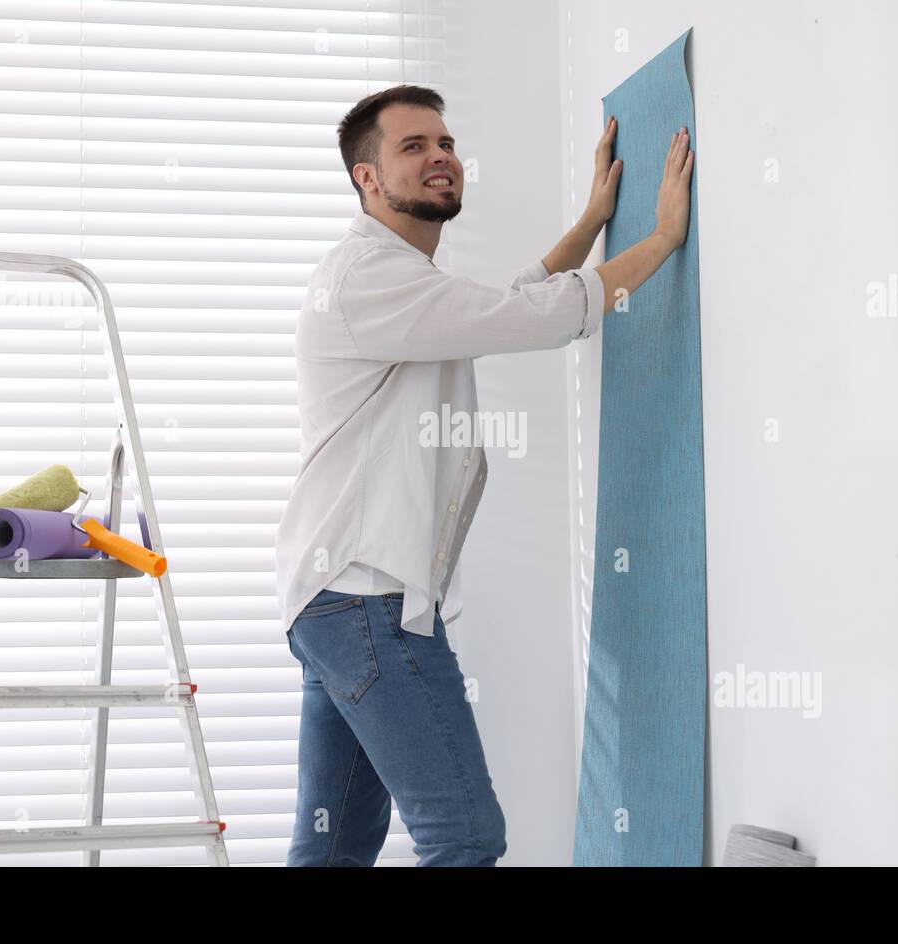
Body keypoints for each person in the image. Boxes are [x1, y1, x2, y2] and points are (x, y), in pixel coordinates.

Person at [276, 83, 693, 866]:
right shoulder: (370, 278)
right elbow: (529, 319)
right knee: (464, 836)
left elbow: (505, 303)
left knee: (331, 853)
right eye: (412, 146)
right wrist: (664, 237)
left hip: (336, 600)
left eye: (444, 142)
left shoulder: (397, 282)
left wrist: (593, 224)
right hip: (366, 601)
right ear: (367, 179)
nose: (440, 157)